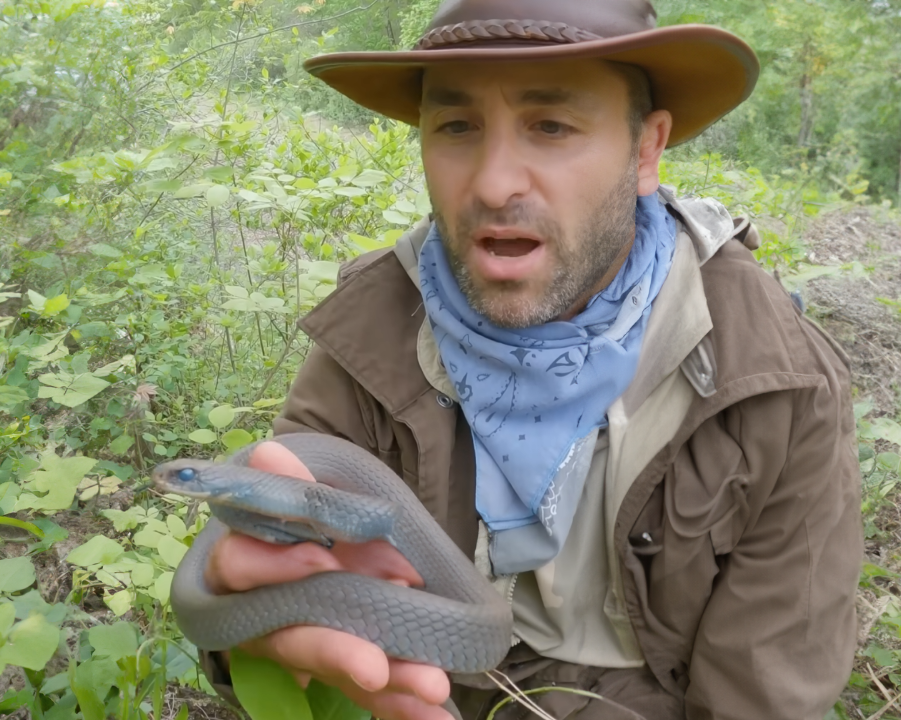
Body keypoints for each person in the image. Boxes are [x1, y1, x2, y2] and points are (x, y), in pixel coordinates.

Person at [192, 1, 864, 718]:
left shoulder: (771, 377)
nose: (492, 185)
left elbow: (761, 694)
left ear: (646, 150)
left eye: (551, 126)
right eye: (456, 126)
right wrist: (248, 625)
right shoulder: (378, 329)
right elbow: (273, 573)